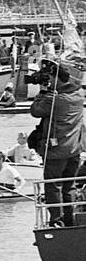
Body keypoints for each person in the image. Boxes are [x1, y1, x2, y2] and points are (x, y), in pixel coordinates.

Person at [30, 61, 84, 226]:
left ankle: (56, 220)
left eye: (50, 77)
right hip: (74, 150)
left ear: (55, 78)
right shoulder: (78, 96)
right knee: (69, 187)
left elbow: (35, 110)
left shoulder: (54, 100)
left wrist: (42, 92)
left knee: (53, 186)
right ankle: (70, 219)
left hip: (56, 151)